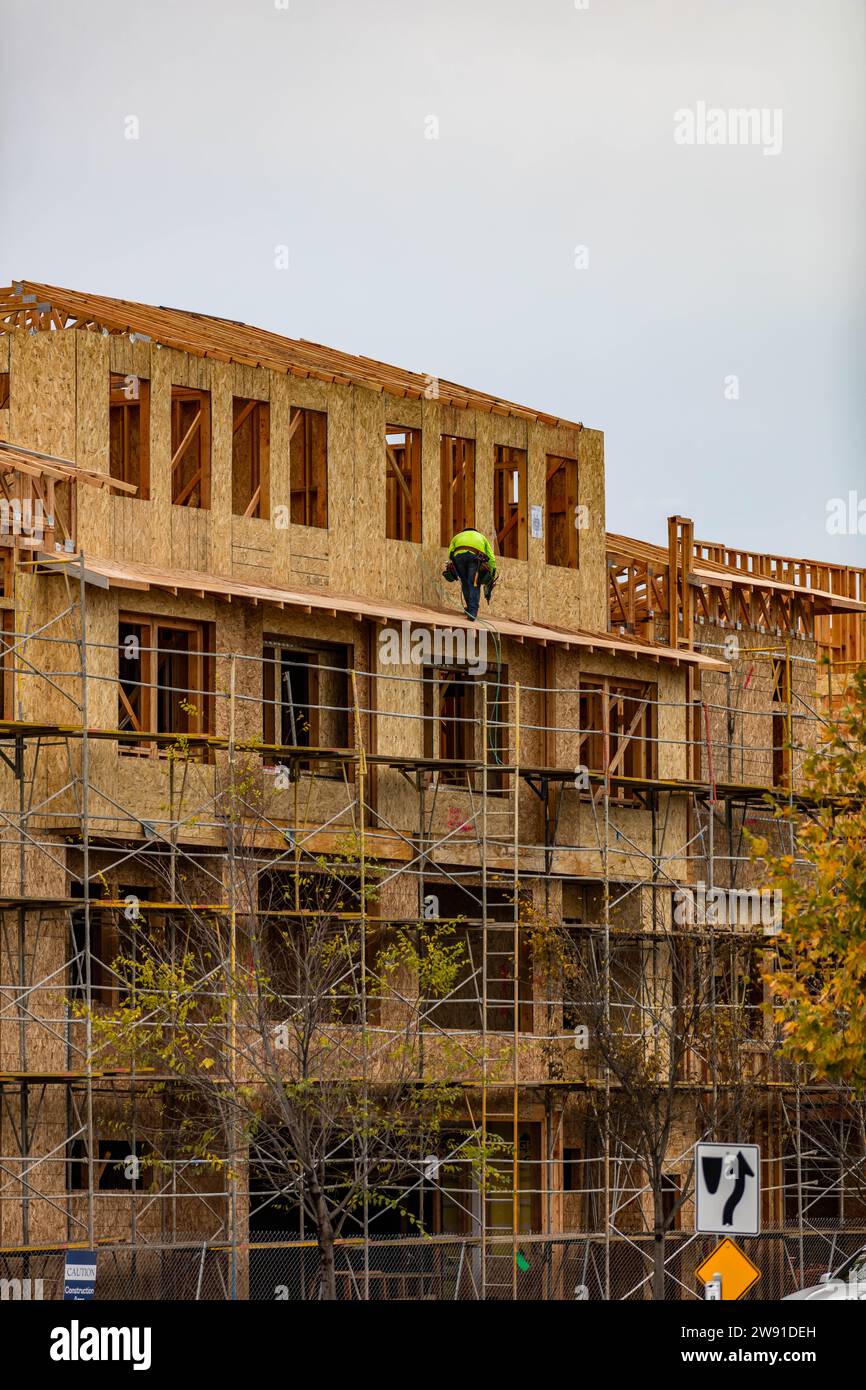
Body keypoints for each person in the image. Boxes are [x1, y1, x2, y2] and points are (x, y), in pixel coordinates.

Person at [443, 527, 497, 621]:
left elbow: (450, 554)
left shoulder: (457, 537)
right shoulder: (481, 537)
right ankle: (472, 612)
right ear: (475, 532)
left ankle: (469, 609)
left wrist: (456, 565)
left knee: (465, 582)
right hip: (474, 558)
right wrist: (492, 573)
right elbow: (491, 558)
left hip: (459, 558)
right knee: (474, 583)